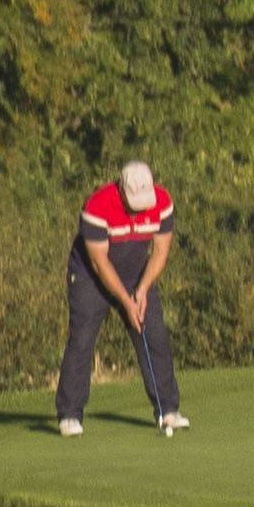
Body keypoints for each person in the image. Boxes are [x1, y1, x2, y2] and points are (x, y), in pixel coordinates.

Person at [57, 158, 184, 435]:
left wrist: (141, 291)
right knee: (82, 339)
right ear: (121, 190)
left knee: (154, 335)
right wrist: (127, 302)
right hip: (91, 277)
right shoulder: (98, 206)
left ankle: (168, 410)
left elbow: (161, 252)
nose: (140, 208)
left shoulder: (161, 201)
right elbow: (100, 263)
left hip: (137, 275)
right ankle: (70, 415)